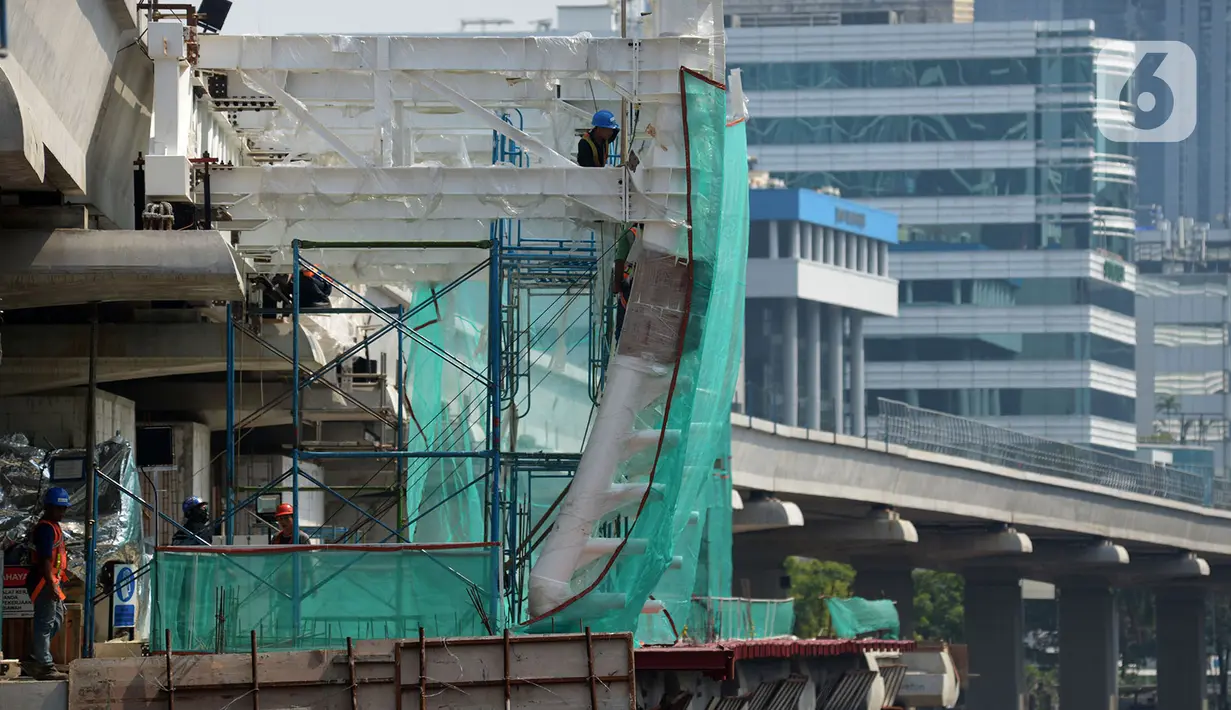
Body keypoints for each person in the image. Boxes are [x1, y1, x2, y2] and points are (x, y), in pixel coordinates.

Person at [23, 487, 70, 680]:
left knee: (56, 619)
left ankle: (36, 658)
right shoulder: (45, 529)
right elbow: (45, 559)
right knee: (45, 622)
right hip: (44, 581)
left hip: (51, 580)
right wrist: (51, 584)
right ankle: (44, 665)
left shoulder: (53, 526)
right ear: (49, 507)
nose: (62, 512)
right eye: (58, 508)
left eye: (63, 508)